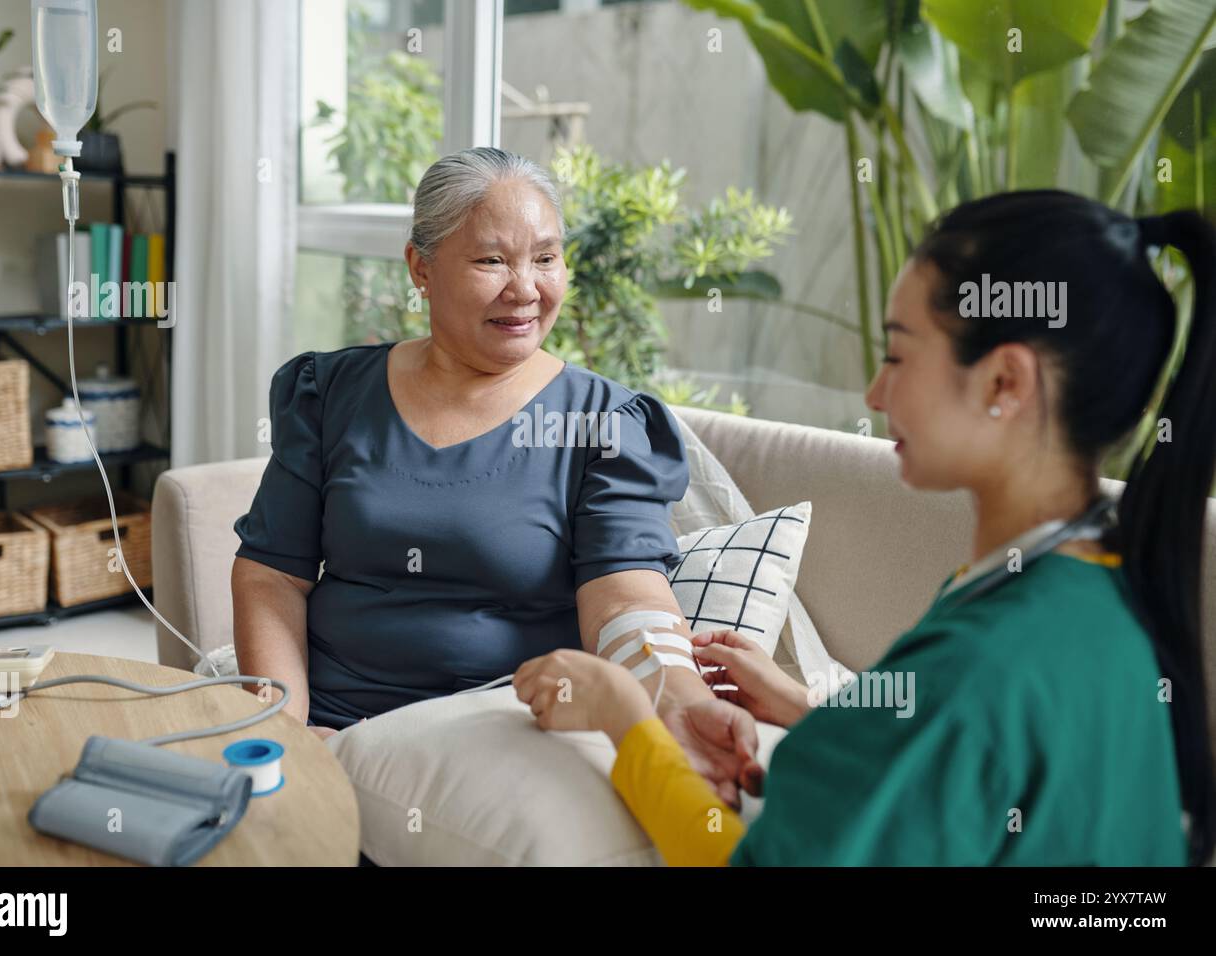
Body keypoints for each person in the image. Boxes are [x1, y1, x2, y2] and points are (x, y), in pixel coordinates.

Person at [515, 190, 1216, 866]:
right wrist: (810, 711)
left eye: (899, 354)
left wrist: (624, 713)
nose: (874, 395)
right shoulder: (1103, 593)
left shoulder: (979, 664)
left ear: (1005, 383)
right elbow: (961, 784)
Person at [232, 147, 754, 804]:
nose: (527, 289)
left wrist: (677, 699)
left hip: (496, 733)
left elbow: (627, 599)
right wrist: (288, 731)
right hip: (324, 717)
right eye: (491, 260)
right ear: (420, 267)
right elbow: (273, 574)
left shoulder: (602, 422)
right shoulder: (329, 391)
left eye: (546, 257)